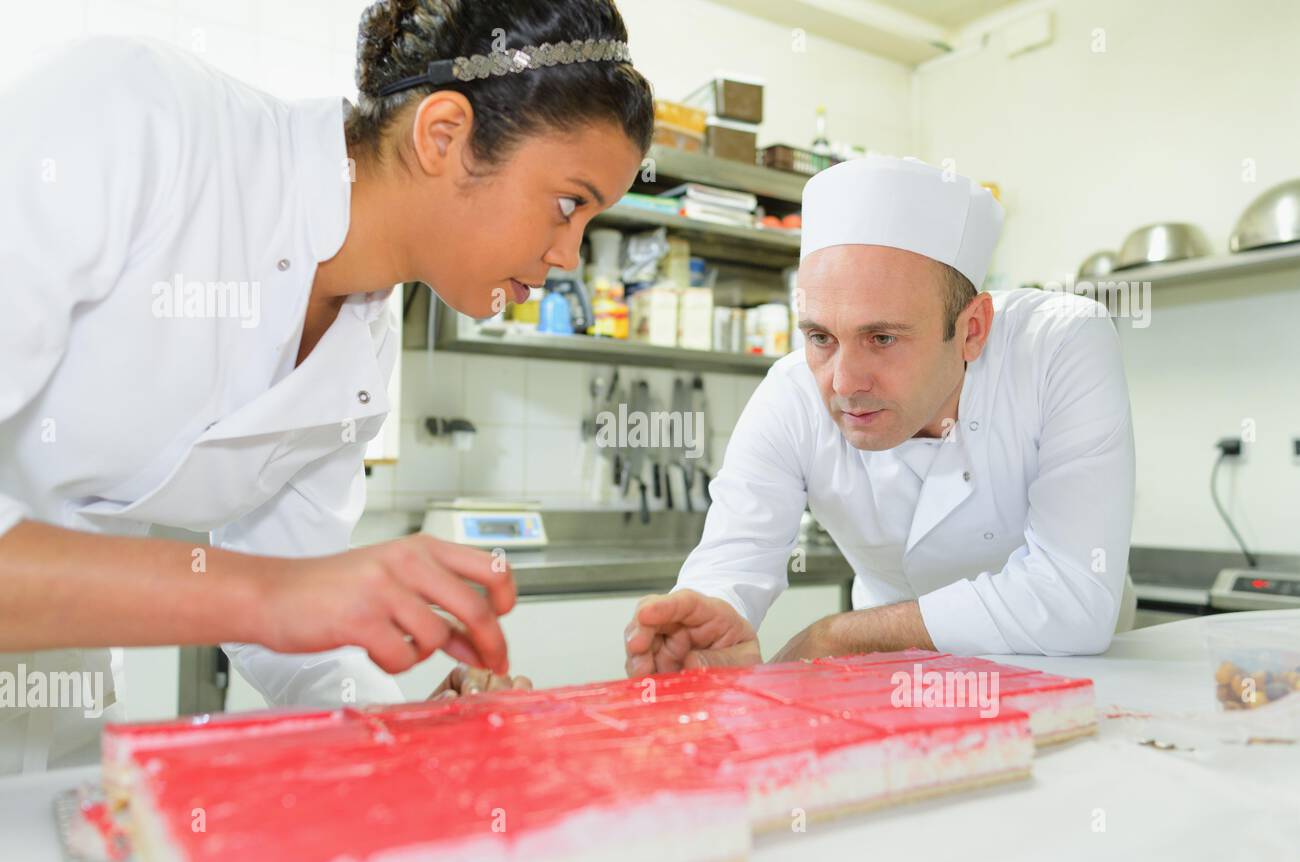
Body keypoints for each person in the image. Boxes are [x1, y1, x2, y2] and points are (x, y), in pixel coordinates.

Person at [0, 0, 654, 774]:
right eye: (568, 204)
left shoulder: (363, 346)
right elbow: (279, 597)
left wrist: (396, 721)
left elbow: (294, 630)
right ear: (443, 134)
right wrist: (275, 594)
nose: (571, 257)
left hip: (55, 717)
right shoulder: (135, 117)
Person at [625, 156, 1137, 676]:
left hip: (1078, 672)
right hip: (891, 675)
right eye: (821, 337)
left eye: (883, 338)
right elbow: (734, 556)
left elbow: (1073, 596)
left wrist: (839, 635)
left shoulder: (1060, 345)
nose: (844, 383)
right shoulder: (792, 392)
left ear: (973, 329)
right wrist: (710, 616)